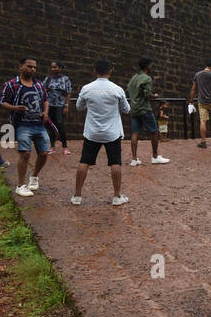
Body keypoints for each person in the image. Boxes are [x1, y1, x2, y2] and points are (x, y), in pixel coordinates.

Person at [71, 59, 131, 206]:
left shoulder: (86, 88)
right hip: (112, 133)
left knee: (84, 161)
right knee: (115, 163)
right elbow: (126, 109)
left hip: (92, 132)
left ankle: (77, 196)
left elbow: (79, 107)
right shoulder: (117, 89)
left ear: (94, 71)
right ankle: (117, 196)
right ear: (111, 71)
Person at [0, 57, 50, 196]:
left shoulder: (38, 85)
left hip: (39, 124)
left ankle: (34, 176)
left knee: (44, 153)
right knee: (25, 153)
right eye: (29, 66)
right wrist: (15, 108)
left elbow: (45, 100)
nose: (32, 69)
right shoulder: (11, 85)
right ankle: (21, 185)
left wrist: (45, 112)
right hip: (23, 124)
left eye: (34, 67)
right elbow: (3, 102)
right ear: (20, 66)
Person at [126, 57, 168, 166]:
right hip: (144, 109)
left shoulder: (133, 78)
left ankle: (134, 159)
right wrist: (155, 96)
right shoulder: (147, 78)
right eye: (151, 65)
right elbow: (147, 94)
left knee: (135, 132)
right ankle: (155, 157)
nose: (152, 66)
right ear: (147, 66)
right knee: (154, 131)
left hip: (134, 109)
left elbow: (130, 90)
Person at [44, 62, 73, 155]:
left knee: (60, 124)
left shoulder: (65, 79)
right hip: (50, 105)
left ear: (60, 68)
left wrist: (66, 105)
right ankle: (52, 146)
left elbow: (68, 93)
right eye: (52, 67)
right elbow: (43, 91)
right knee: (50, 125)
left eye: (55, 67)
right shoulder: (48, 79)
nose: (53, 69)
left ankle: (65, 146)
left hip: (60, 105)